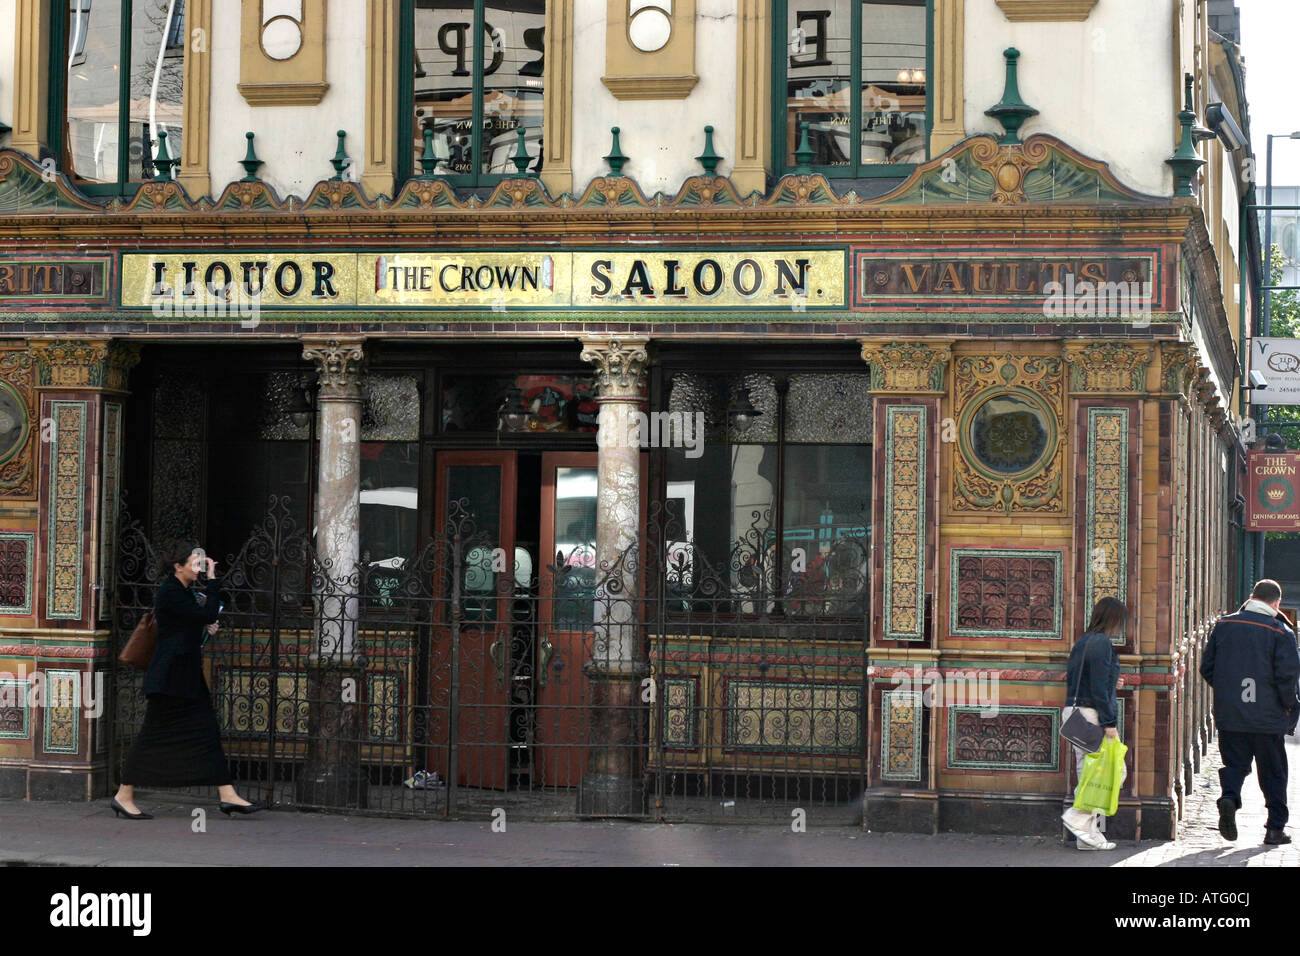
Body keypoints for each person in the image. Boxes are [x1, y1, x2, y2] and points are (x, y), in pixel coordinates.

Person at [111, 542, 266, 820]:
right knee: (151, 736)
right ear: (178, 567)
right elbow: (203, 614)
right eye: (195, 564)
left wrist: (205, 627)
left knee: (207, 732)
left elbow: (188, 627)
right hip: (170, 679)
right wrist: (213, 581)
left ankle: (227, 794)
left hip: (186, 677)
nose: (199, 569)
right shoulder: (171, 591)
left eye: (200, 564)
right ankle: (124, 795)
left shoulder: (182, 592)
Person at [1200, 579, 1300, 846]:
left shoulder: (1224, 625)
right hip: (1267, 719)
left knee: (1235, 764)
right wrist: (1290, 706)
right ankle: (1275, 829)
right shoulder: (1281, 632)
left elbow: (1207, 668)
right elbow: (1287, 679)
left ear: (1252, 596)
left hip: (1231, 714)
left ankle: (1230, 798)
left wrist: (1228, 692)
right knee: (1274, 773)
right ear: (1276, 603)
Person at [1060, 596, 1128, 851]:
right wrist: (1109, 722)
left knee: (1089, 775)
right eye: (1119, 621)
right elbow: (1098, 687)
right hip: (1092, 715)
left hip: (1077, 712)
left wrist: (1114, 682)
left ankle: (1086, 839)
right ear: (1111, 619)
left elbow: (1086, 678)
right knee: (1113, 772)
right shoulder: (1101, 643)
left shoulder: (1084, 641)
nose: (1121, 626)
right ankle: (1078, 817)